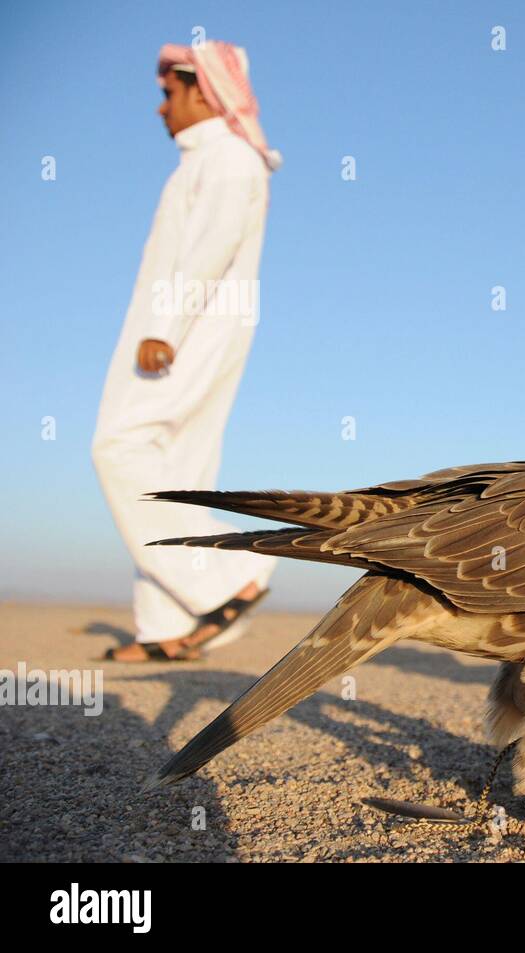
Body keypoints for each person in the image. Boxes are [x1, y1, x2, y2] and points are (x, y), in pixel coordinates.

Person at [93, 40, 282, 661]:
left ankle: (231, 576)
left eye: (168, 94)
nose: (159, 109)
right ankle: (166, 627)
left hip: (192, 325)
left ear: (203, 91)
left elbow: (210, 249)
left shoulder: (228, 159)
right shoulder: (206, 161)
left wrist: (164, 330)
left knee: (117, 446)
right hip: (197, 324)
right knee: (178, 472)